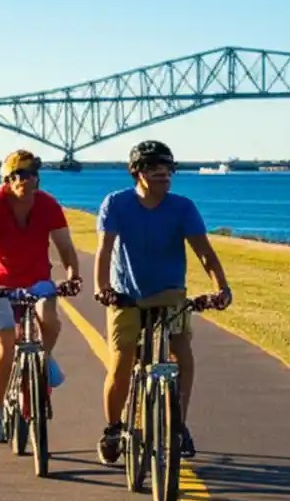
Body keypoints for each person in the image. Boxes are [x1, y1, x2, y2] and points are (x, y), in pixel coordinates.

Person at [93, 140, 232, 464]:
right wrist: (103, 288)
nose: (163, 173)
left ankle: (178, 423)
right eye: (154, 167)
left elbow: (205, 253)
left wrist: (221, 288)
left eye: (168, 168)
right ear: (137, 172)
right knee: (122, 358)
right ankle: (114, 428)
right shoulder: (116, 203)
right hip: (125, 294)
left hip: (170, 292)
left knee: (181, 350)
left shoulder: (182, 207)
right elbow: (103, 250)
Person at [0, 149, 82, 443]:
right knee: (5, 342)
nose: (26, 179)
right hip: (0, 282)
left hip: (37, 281)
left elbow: (66, 249)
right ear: (7, 180)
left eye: (32, 173)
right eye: (19, 174)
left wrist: (73, 276)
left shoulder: (48, 205)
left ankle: (43, 360)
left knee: (51, 320)